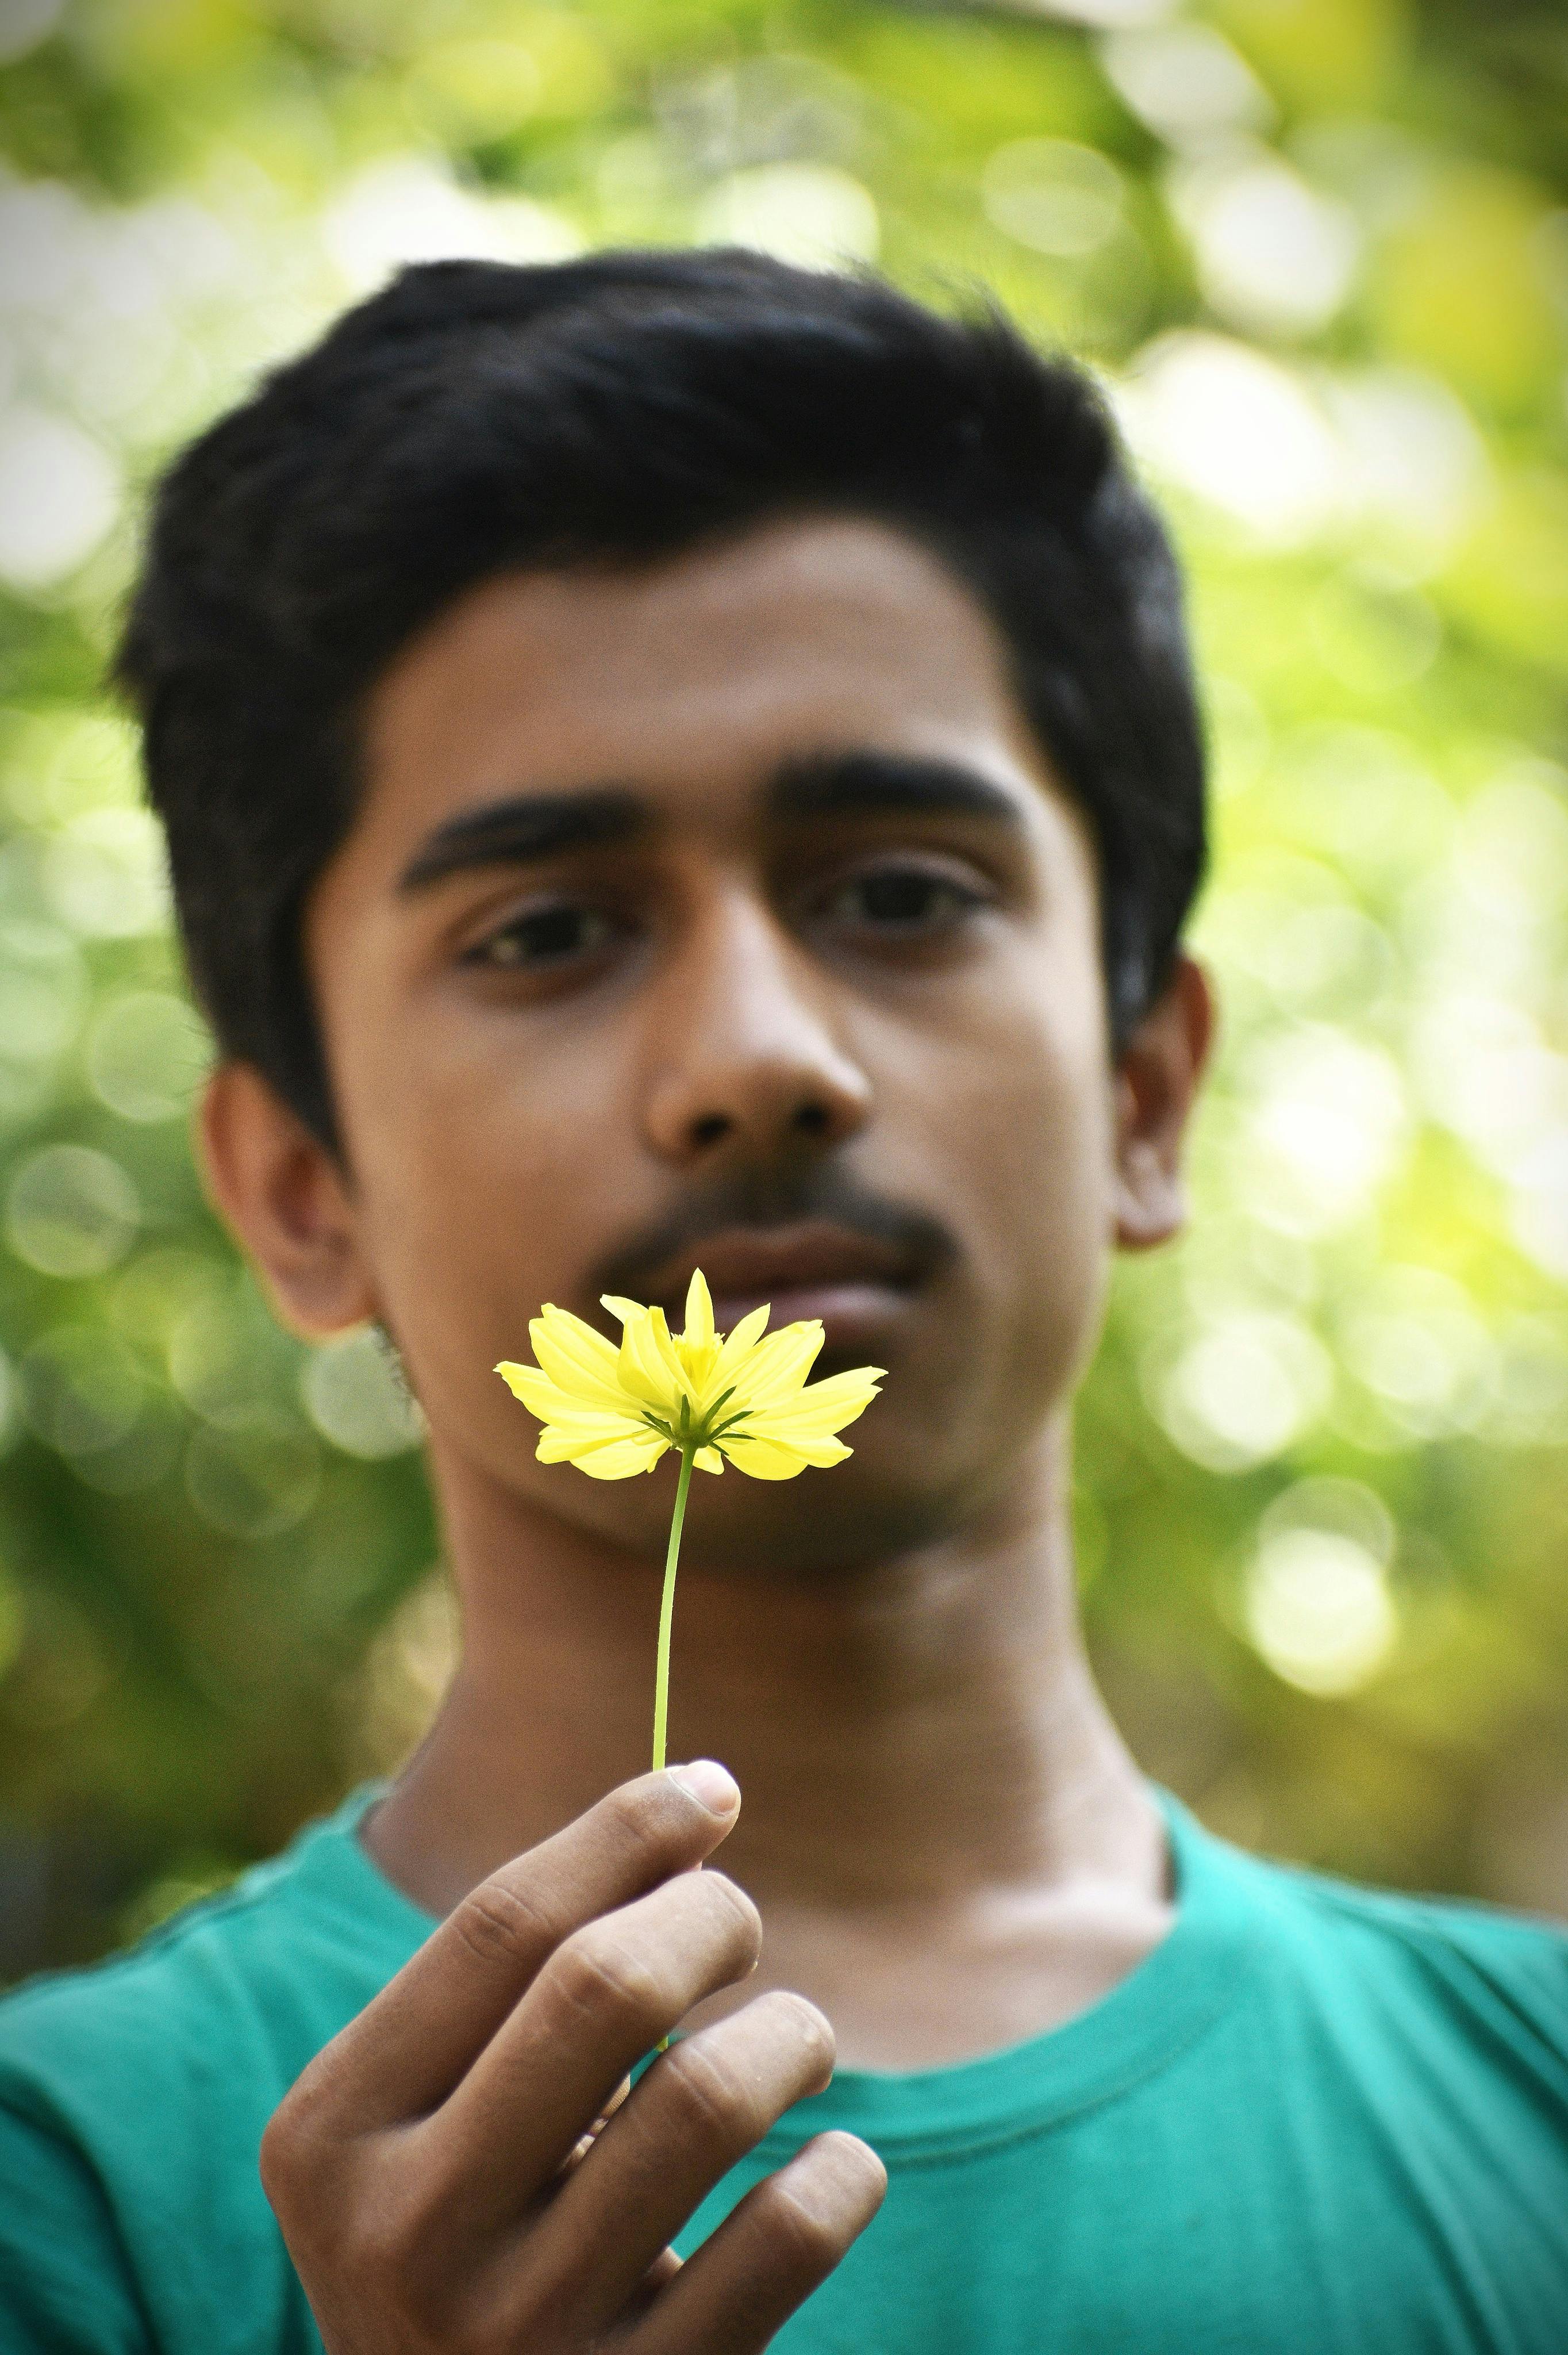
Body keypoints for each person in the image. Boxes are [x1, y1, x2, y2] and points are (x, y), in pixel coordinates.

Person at [0, 247, 1564, 2355]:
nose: (757, 1057)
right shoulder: (65, 2202)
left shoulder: (1539, 2117)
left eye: (901, 893)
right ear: (301, 1189)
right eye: (547, 930)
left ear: (1145, 1093)